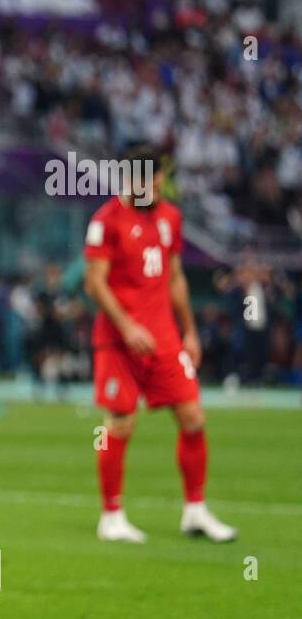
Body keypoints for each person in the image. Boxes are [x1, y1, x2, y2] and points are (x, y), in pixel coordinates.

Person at [84, 149, 237, 544]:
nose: (152, 186)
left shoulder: (170, 217)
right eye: (144, 179)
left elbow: (176, 279)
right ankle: (112, 515)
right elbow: (95, 283)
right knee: (120, 424)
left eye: (157, 179)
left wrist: (190, 331)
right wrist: (127, 325)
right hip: (118, 342)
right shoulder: (106, 221)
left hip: (165, 338)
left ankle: (196, 511)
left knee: (194, 417)